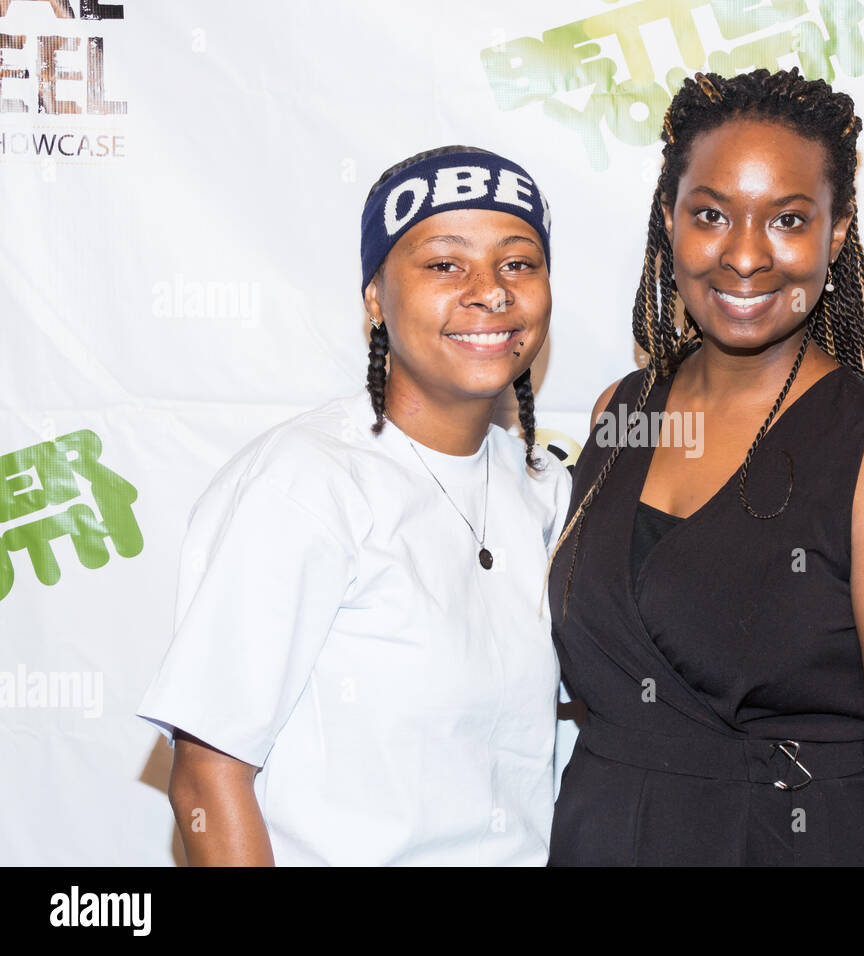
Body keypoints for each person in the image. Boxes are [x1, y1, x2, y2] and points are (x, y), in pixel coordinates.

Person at [545, 69, 864, 866]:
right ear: (669, 221)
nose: (745, 256)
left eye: (787, 219)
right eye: (711, 214)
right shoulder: (622, 411)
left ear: (836, 233)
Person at [136, 145, 572, 865]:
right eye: (444, 264)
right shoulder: (306, 481)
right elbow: (208, 775)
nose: (490, 291)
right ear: (375, 297)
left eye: (518, 262)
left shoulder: (544, 489)